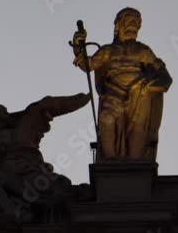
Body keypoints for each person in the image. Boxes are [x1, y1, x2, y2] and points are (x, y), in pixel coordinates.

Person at [72, 8, 172, 160]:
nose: (133, 26)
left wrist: (156, 83)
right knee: (107, 119)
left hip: (139, 93)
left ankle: (135, 166)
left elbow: (163, 75)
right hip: (112, 93)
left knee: (138, 128)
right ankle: (110, 162)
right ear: (118, 25)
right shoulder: (108, 51)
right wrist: (78, 47)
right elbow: (88, 65)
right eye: (129, 21)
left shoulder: (143, 51)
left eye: (136, 23)